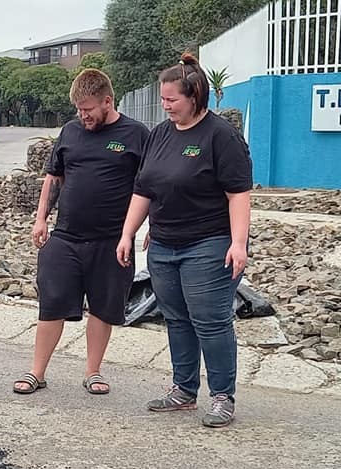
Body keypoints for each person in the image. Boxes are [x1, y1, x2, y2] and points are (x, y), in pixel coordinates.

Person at [116, 53, 253, 428]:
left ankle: (223, 396)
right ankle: (184, 390)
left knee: (210, 320)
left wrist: (238, 243)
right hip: (163, 244)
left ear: (195, 96)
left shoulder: (220, 136)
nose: (165, 106)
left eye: (172, 100)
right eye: (163, 99)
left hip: (208, 244)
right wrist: (130, 232)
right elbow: (143, 189)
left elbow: (238, 193)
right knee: (176, 319)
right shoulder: (160, 134)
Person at [12, 68, 149, 396]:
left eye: (88, 109)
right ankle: (37, 371)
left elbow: (148, 186)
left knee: (103, 307)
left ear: (107, 101)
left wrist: (146, 226)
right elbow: (53, 177)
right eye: (78, 109)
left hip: (112, 241)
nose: (82, 115)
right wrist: (41, 218)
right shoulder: (70, 132)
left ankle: (93, 371)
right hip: (66, 236)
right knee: (52, 301)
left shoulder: (136, 134)